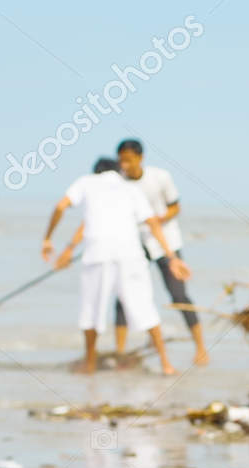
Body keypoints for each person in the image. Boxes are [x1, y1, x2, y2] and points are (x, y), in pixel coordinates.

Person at [42, 157, 189, 375]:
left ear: (96, 172)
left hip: (97, 254)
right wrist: (172, 257)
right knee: (145, 308)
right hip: (131, 255)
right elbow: (152, 224)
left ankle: (89, 365)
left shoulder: (86, 182)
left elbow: (60, 206)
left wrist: (49, 239)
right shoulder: (130, 188)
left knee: (91, 312)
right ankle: (166, 364)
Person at [112, 139, 211, 366]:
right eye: (121, 160)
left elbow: (175, 207)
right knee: (123, 297)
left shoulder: (160, 177)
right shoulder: (119, 183)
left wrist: (157, 220)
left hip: (166, 242)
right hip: (135, 245)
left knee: (178, 295)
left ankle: (201, 348)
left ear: (140, 158)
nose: (125, 164)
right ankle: (119, 352)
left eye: (129, 159)